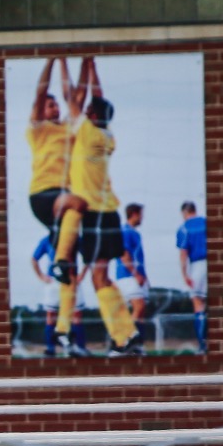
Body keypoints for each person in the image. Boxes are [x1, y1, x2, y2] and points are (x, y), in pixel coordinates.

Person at [57, 62, 141, 356]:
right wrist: (91, 65)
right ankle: (128, 335)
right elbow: (98, 98)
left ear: (92, 116)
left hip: (92, 214)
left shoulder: (88, 132)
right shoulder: (107, 137)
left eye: (88, 109)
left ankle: (124, 336)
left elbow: (71, 95)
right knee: (102, 278)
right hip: (110, 214)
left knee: (97, 279)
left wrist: (66, 63)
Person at [25, 57, 72, 236]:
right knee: (77, 203)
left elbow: (75, 98)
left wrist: (64, 62)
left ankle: (60, 259)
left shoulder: (68, 128)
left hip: (64, 190)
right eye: (51, 105)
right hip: (43, 191)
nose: (57, 108)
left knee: (68, 239)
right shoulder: (39, 128)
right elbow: (41, 93)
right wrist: (51, 60)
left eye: (57, 105)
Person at [175, 201, 209, 353]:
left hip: (198, 265)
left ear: (184, 213)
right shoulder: (206, 222)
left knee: (198, 304)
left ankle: (203, 344)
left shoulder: (184, 228)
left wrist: (185, 274)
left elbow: (183, 254)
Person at [116, 202, 150, 334]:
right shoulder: (125, 231)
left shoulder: (135, 233)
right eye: (141, 215)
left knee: (141, 311)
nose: (142, 218)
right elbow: (124, 255)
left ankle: (138, 345)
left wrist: (145, 277)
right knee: (138, 307)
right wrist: (135, 274)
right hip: (128, 276)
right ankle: (128, 339)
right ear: (134, 214)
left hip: (136, 276)